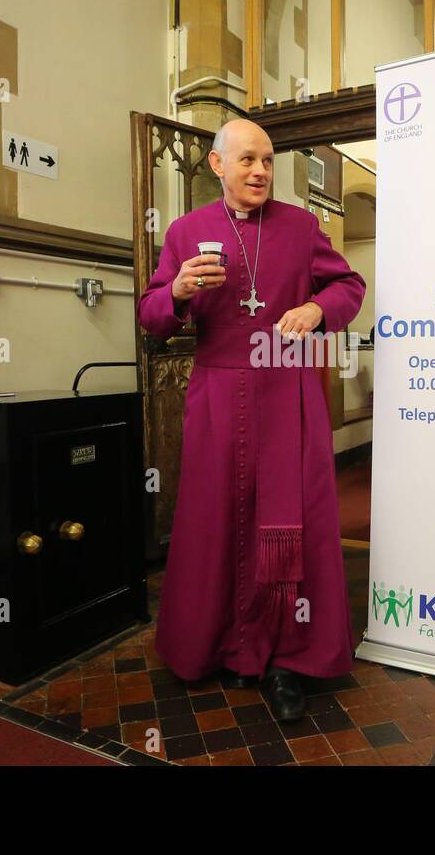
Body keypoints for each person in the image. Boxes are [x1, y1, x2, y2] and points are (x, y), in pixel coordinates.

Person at [137, 119, 366, 721]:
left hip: (286, 392)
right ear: (217, 166)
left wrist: (318, 308)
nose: (260, 170)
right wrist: (180, 290)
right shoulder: (187, 233)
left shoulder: (300, 226)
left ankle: (288, 658)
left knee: (288, 525)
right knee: (216, 521)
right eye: (246, 160)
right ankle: (216, 646)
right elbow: (152, 316)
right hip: (216, 395)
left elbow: (349, 283)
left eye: (266, 160)